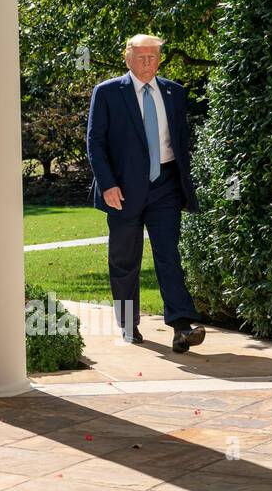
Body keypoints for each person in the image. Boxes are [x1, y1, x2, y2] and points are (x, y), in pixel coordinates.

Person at [86, 34, 207, 353]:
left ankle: (181, 326)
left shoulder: (174, 92)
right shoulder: (108, 92)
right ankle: (128, 324)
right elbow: (95, 142)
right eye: (140, 57)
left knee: (168, 254)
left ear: (160, 59)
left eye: (153, 57)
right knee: (125, 260)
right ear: (128, 58)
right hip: (122, 190)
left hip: (165, 185)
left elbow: (180, 142)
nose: (147, 62)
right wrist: (108, 183)